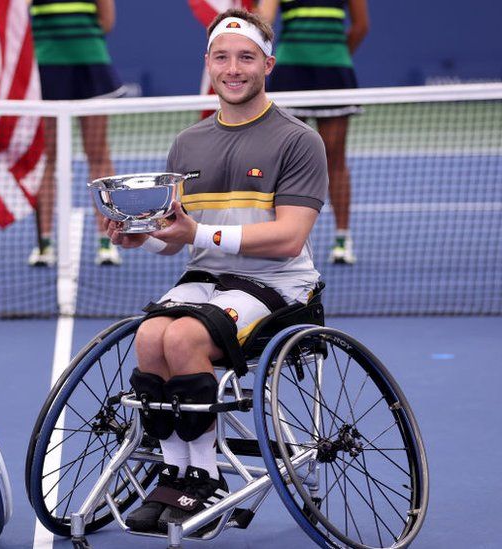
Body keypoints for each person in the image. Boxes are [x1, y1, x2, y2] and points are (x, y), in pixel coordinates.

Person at [106, 9, 327, 533]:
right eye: (222, 58)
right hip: (206, 280)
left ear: (267, 64)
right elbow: (178, 231)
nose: (234, 69)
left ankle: (205, 480)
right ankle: (175, 471)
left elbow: (290, 237)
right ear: (208, 63)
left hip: (278, 283)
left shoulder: (299, 140)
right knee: (150, 335)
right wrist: (144, 236)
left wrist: (197, 235)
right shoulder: (188, 143)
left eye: (246, 58)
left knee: (182, 339)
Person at [258, 0, 369, 264]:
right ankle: (276, 236)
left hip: (334, 73)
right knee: (281, 159)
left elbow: (361, 26)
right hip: (291, 73)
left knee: (335, 157)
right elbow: (265, 22)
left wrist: (335, 56)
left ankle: (343, 240)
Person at [29, 0, 125, 267]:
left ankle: (107, 242)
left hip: (89, 65)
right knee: (47, 157)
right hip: (46, 65)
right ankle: (44, 244)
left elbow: (106, 21)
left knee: (97, 153)